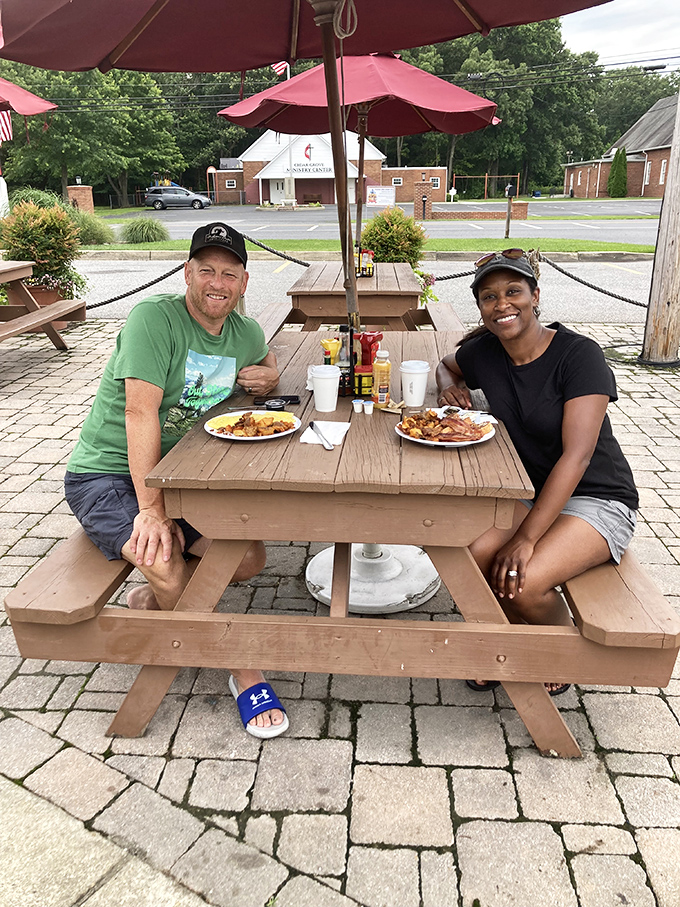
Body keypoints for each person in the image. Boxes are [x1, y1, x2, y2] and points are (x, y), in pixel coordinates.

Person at [65, 222, 288, 738]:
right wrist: (151, 509)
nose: (217, 282)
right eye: (206, 269)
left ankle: (155, 601)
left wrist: (271, 373)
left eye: (229, 273)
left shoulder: (245, 331)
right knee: (163, 560)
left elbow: (264, 357)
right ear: (187, 272)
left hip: (183, 474)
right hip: (109, 473)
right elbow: (139, 415)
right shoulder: (152, 320)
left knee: (249, 560)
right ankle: (239, 667)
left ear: (245, 283)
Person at [436, 249, 638, 695]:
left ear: (535, 296)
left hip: (596, 497)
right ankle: (509, 641)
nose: (502, 304)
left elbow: (578, 457)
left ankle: (557, 647)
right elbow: (447, 365)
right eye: (489, 297)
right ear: (481, 308)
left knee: (521, 581)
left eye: (513, 292)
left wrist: (526, 538)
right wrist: (449, 388)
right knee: (471, 551)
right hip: (528, 489)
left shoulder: (579, 354)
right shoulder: (484, 352)